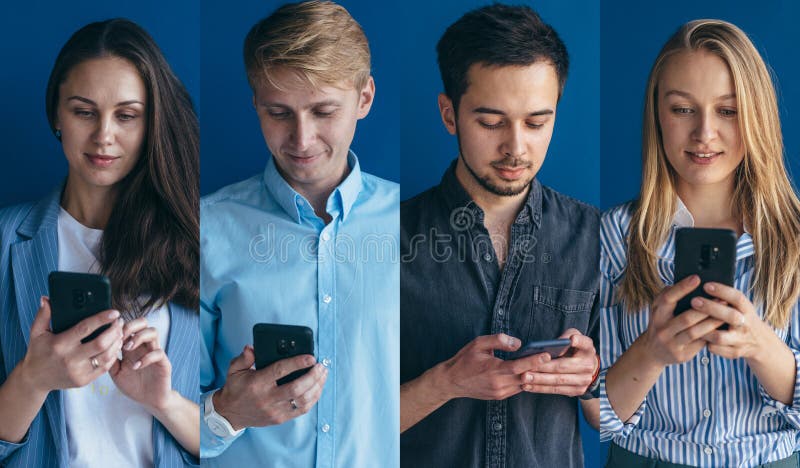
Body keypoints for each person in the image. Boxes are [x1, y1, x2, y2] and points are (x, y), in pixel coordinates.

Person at [198, 2, 399, 467]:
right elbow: (158, 415)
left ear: (364, 99)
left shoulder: (418, 225)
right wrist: (227, 412)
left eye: (324, 110)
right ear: (255, 104)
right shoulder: (204, 230)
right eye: (279, 112)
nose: (302, 140)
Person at [400, 5, 600, 467]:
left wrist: (594, 379)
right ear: (449, 114)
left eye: (536, 122)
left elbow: (619, 417)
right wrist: (445, 381)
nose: (516, 147)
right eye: (491, 122)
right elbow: (347, 423)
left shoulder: (597, 235)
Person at [0, 18, 200, 467]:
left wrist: (163, 401)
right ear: (56, 114)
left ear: (151, 123)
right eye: (84, 111)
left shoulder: (195, 243)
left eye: (127, 115)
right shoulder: (5, 241)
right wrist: (33, 379)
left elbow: (234, 435)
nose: (104, 135)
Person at [600, 19, 800, 467]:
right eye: (682, 109)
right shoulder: (614, 236)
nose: (704, 133)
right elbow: (602, 415)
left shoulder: (795, 238)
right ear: (658, 115)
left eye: (727, 111)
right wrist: (651, 352)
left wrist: (759, 346)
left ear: (755, 116)